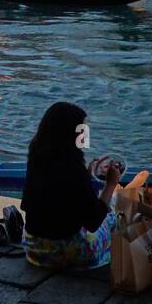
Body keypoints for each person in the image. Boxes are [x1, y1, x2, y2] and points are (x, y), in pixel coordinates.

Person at [21, 102, 120, 269]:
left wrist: (86, 177)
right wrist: (111, 184)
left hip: (34, 249)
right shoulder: (73, 168)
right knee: (114, 215)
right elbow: (94, 221)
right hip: (67, 254)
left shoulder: (36, 157)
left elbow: (49, 196)